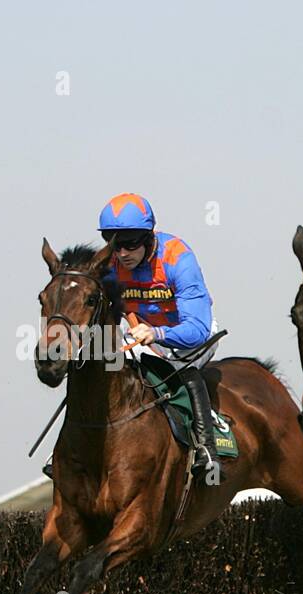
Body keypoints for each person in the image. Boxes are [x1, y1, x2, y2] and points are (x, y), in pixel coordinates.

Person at [98, 193, 219, 475]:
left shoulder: (178, 258)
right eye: (114, 244)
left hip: (188, 336)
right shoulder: (110, 265)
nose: (122, 253)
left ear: (149, 236)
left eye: (130, 243)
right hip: (141, 334)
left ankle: (206, 449)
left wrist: (158, 332)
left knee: (175, 369)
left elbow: (198, 329)